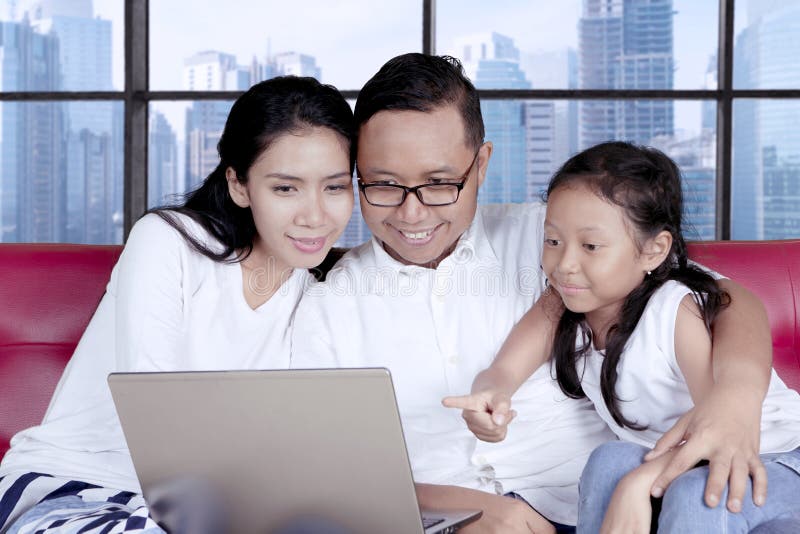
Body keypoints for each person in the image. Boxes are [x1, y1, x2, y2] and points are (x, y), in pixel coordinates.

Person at [291, 53, 775, 533]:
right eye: (384, 185)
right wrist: (472, 509)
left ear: (481, 164)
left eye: (440, 184)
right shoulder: (329, 306)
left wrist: (734, 399)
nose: (412, 214)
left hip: (595, 505)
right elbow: (328, 469)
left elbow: (726, 301)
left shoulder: (555, 236)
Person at [0, 76, 356, 533]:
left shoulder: (313, 296)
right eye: (285, 189)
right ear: (239, 185)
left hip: (213, 509)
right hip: (73, 488)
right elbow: (156, 418)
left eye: (334, 187)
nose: (315, 216)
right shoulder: (168, 242)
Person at [444, 141, 800, 533]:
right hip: (681, 460)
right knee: (608, 462)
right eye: (553, 241)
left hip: (773, 458)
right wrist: (490, 397)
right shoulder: (563, 303)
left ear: (653, 251)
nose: (565, 264)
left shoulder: (674, 312)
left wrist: (641, 481)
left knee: (691, 495)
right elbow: (504, 371)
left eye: (591, 246)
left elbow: (713, 432)